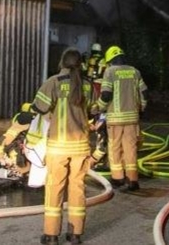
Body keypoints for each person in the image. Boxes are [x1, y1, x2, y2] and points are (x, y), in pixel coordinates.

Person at [17, 48, 93, 245]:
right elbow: (92, 110)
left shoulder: (54, 82)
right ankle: (75, 234)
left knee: (54, 188)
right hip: (81, 146)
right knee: (77, 188)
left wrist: (30, 114)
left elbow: (38, 107)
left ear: (62, 62)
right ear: (80, 64)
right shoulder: (87, 85)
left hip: (58, 146)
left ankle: (51, 235)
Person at [96, 45, 148, 192]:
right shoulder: (135, 71)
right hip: (132, 119)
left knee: (115, 148)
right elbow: (144, 93)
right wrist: (141, 109)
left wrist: (98, 107)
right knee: (131, 149)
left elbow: (106, 95)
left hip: (115, 119)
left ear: (110, 60)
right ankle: (132, 180)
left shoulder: (110, 72)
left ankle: (118, 178)